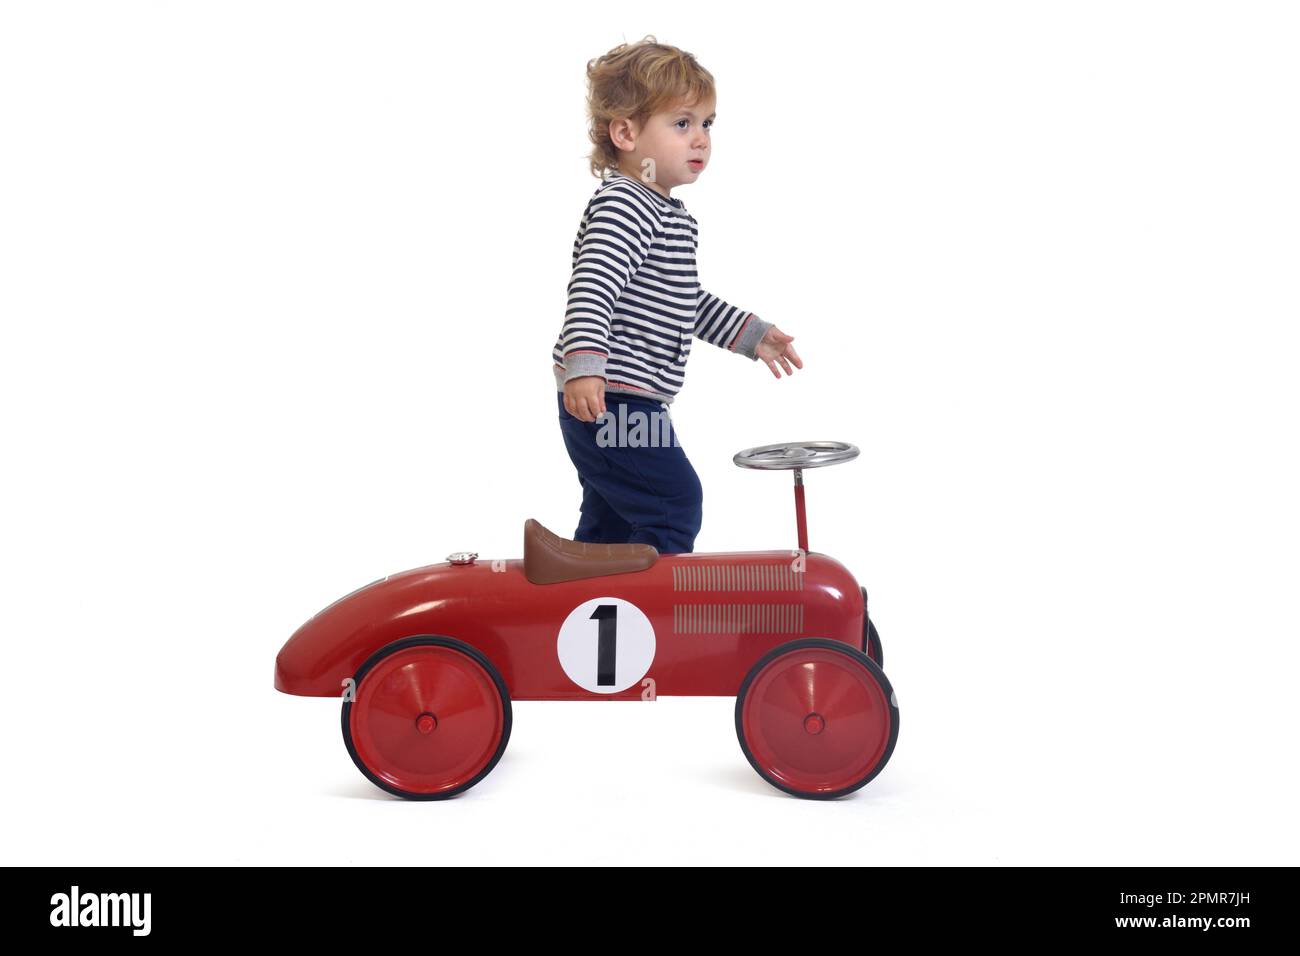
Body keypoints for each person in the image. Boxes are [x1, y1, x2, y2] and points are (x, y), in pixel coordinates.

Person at [551, 36, 802, 553]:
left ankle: (582, 609)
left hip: (628, 400)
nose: (701, 140)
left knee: (614, 524)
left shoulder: (668, 214)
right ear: (625, 133)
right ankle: (659, 619)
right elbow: (593, 285)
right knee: (674, 502)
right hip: (612, 401)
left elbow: (685, 301)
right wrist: (584, 365)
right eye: (682, 123)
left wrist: (752, 335)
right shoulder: (627, 202)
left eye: (707, 124)